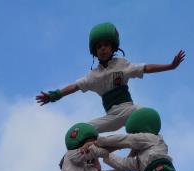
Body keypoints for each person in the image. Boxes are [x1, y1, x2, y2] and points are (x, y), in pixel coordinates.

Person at [36, 22, 185, 133]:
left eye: (106, 45)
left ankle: (140, 150)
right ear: (95, 51)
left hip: (129, 110)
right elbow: (74, 87)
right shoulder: (93, 76)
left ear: (113, 47)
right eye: (99, 46)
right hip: (111, 117)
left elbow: (145, 68)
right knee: (82, 131)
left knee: (147, 114)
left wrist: (169, 66)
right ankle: (90, 163)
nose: (103, 48)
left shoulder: (122, 64)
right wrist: (54, 95)